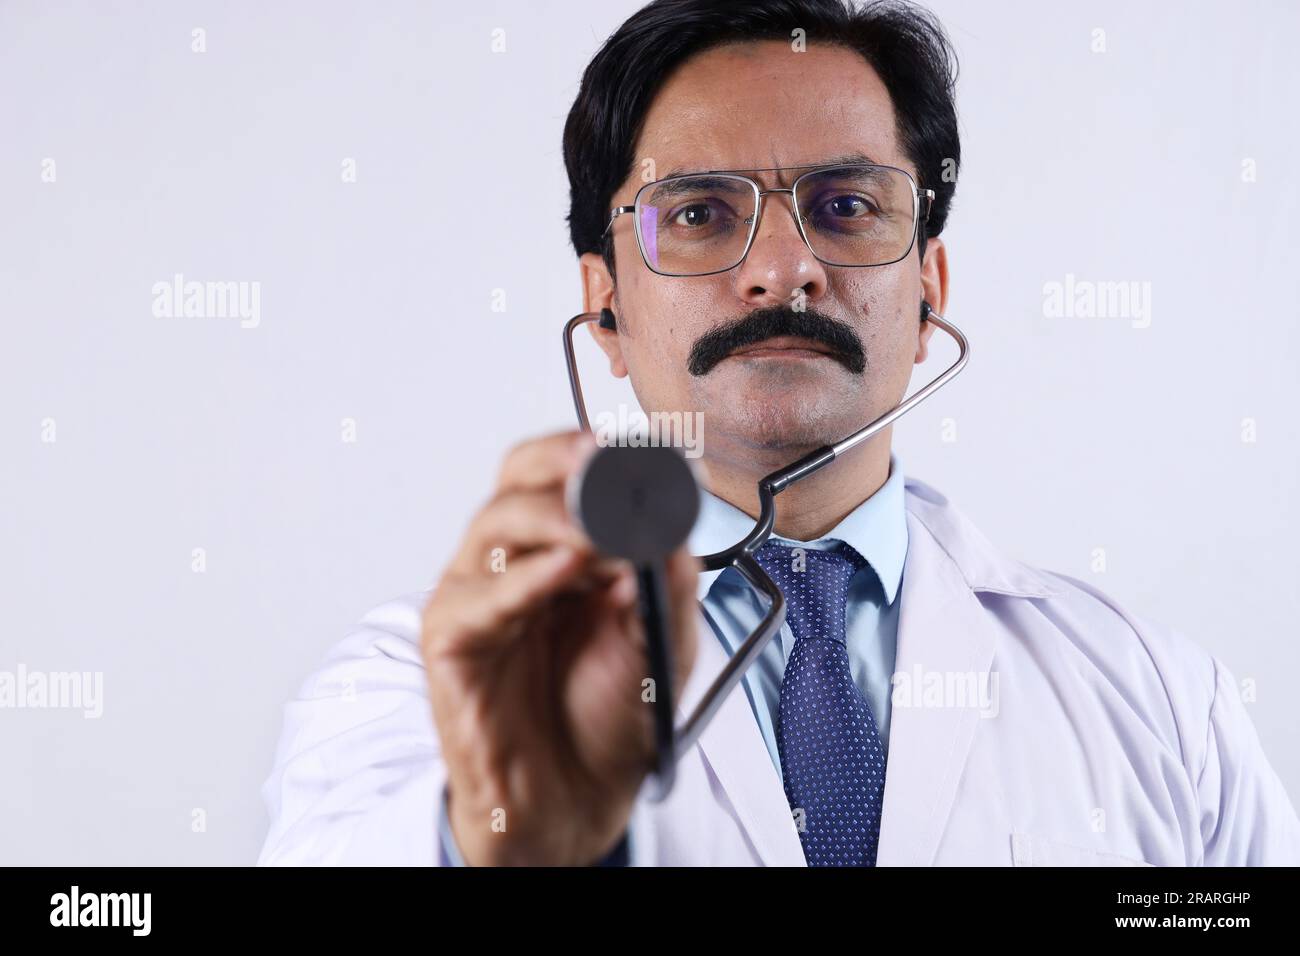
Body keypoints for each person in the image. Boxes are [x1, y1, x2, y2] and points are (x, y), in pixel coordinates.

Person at [257, 0, 1300, 866]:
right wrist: (495, 839)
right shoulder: (428, 681)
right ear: (606, 306)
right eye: (700, 215)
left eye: (846, 205)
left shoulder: (1155, 697)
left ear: (927, 289)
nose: (783, 269)